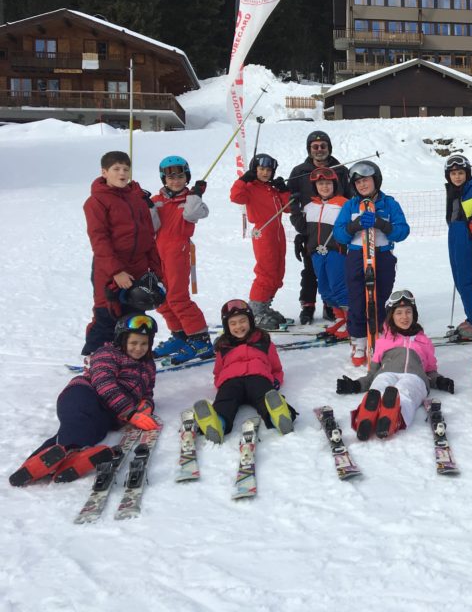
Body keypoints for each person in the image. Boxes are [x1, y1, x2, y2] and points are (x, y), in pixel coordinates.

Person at [10, 314, 161, 486]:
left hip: (108, 413)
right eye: (133, 343)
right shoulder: (108, 354)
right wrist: (130, 413)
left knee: (91, 432)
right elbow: (104, 384)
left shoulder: (149, 365)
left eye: (144, 343)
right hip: (84, 394)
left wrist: (146, 404)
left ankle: (59, 462)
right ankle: (53, 460)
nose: (139, 348)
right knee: (79, 421)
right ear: (122, 340)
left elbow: (148, 391)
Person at [336, 290, 454, 440]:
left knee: (404, 391)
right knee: (379, 386)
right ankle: (366, 417)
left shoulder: (424, 342)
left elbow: (430, 371)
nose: (404, 317)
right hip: (387, 372)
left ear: (414, 314)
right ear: (391, 316)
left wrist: (440, 381)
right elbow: (372, 374)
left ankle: (395, 417)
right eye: (399, 313)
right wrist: (355, 385)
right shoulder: (383, 341)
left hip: (415, 377)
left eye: (408, 312)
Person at [81, 150, 163, 356]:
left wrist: (157, 272)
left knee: (135, 316)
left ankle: (130, 358)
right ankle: (94, 359)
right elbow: (99, 239)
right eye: (116, 169)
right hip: (109, 269)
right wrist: (116, 271)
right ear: (104, 172)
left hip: (138, 268)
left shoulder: (137, 200)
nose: (122, 173)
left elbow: (149, 237)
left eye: (126, 169)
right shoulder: (96, 202)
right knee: (107, 314)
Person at [333, 160, 410, 367]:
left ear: (376, 180)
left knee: (380, 298)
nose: (362, 185)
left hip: (382, 256)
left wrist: (382, 224)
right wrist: (353, 226)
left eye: (366, 180)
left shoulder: (389, 204)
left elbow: (403, 230)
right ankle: (359, 341)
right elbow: (338, 234)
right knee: (358, 300)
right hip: (357, 257)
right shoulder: (350, 206)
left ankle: (381, 338)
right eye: (358, 182)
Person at [192, 300, 295, 442]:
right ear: (227, 326)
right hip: (231, 381)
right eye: (233, 323)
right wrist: (222, 386)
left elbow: (276, 368)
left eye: (242, 321)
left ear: (250, 321)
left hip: (258, 377)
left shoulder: (264, 342)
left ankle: (279, 416)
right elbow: (218, 372)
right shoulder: (223, 347)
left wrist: (276, 381)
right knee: (225, 401)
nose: (238, 326)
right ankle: (217, 424)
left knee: (266, 397)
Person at [151, 156, 212, 362]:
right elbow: (151, 226)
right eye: (170, 177)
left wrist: (196, 194)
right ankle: (180, 335)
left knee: (177, 297)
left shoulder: (190, 200)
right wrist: (145, 204)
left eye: (180, 176)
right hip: (157, 252)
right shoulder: (157, 200)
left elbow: (193, 214)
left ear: (187, 177)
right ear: (164, 179)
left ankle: (200, 339)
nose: (176, 181)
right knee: (160, 296)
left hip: (178, 250)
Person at [288, 131, 351, 325]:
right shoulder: (299, 171)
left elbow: (351, 196)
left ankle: (331, 307)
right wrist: (301, 232)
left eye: (323, 146)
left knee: (335, 273)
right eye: (315, 147)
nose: (319, 150)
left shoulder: (341, 170)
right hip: (310, 226)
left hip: (334, 227)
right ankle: (308, 306)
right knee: (310, 270)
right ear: (309, 149)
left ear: (329, 148)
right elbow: (290, 198)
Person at [229, 154, 292, 330]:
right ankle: (256, 311)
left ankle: (264, 306)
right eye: (261, 169)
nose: (265, 173)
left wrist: (283, 190)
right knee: (266, 271)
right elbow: (236, 197)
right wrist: (243, 180)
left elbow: (288, 208)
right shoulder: (250, 187)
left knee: (278, 271)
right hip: (263, 232)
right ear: (254, 170)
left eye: (269, 170)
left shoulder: (272, 189)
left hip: (277, 232)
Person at [443, 155, 472, 340]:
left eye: (461, 173)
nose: (457, 177)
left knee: (466, 280)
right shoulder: (453, 190)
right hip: (454, 233)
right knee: (458, 280)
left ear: (467, 173)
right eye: (453, 173)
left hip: (467, 234)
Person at [300, 167, 350, 339]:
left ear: (334, 185)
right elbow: (304, 227)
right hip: (316, 252)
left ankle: (351, 321)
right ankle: (340, 319)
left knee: (339, 286)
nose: (325, 187)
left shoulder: (344, 204)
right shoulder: (309, 206)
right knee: (324, 288)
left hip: (336, 251)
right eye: (321, 184)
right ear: (315, 187)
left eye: (328, 183)